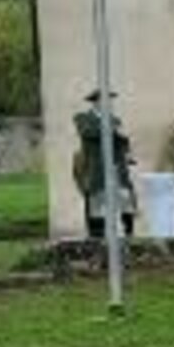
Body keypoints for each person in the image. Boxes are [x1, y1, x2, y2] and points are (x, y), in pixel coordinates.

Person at [72, 89, 136, 240]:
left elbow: (122, 141)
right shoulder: (83, 118)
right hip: (96, 173)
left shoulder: (115, 120)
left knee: (127, 212)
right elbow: (88, 132)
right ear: (96, 102)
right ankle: (96, 244)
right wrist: (110, 127)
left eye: (110, 100)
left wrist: (126, 149)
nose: (109, 104)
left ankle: (128, 241)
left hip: (117, 171)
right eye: (106, 100)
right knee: (96, 217)